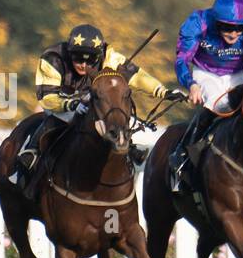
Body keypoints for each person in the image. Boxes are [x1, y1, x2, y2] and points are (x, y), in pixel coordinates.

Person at [14, 22, 180, 196]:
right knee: (56, 121)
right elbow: (46, 98)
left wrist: (163, 91)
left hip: (92, 102)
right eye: (78, 58)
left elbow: (137, 77)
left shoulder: (110, 57)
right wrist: (71, 104)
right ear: (69, 52)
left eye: (90, 59)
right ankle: (31, 154)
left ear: (99, 55)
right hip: (59, 104)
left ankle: (128, 149)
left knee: (115, 119)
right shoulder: (53, 59)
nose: (83, 64)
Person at [170, 0, 243, 181]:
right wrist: (191, 84)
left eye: (239, 28)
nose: (233, 33)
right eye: (227, 27)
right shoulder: (198, 23)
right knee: (219, 105)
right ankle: (182, 155)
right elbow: (182, 60)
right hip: (206, 73)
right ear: (215, 21)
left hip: (240, 73)